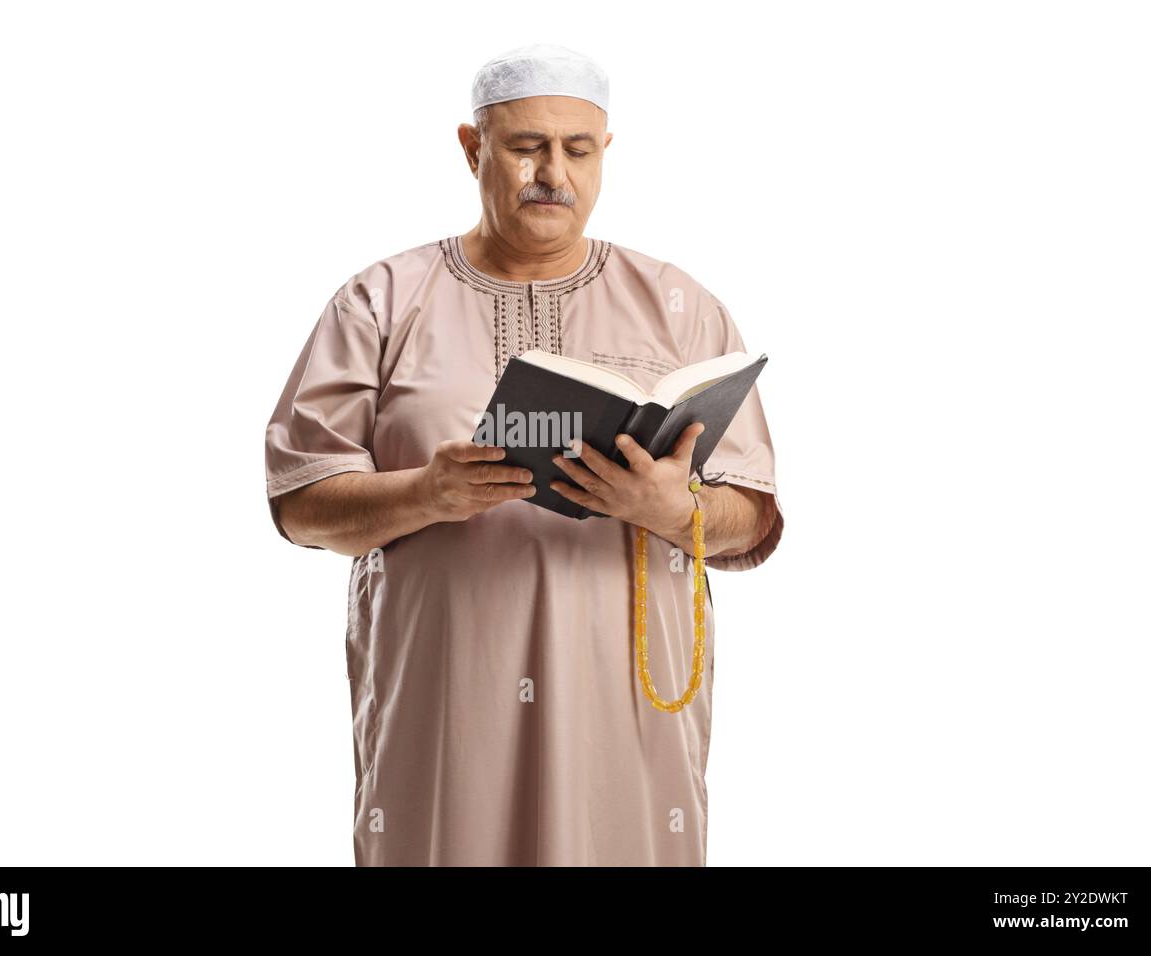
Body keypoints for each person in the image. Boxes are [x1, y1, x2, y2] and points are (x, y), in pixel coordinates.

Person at [264, 44, 784, 866]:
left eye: (578, 150)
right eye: (525, 147)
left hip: (629, 700)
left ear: (604, 153)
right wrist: (423, 494)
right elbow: (301, 504)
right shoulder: (381, 300)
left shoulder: (682, 307)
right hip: (444, 697)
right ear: (473, 149)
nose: (554, 172)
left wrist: (668, 509)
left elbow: (749, 513)